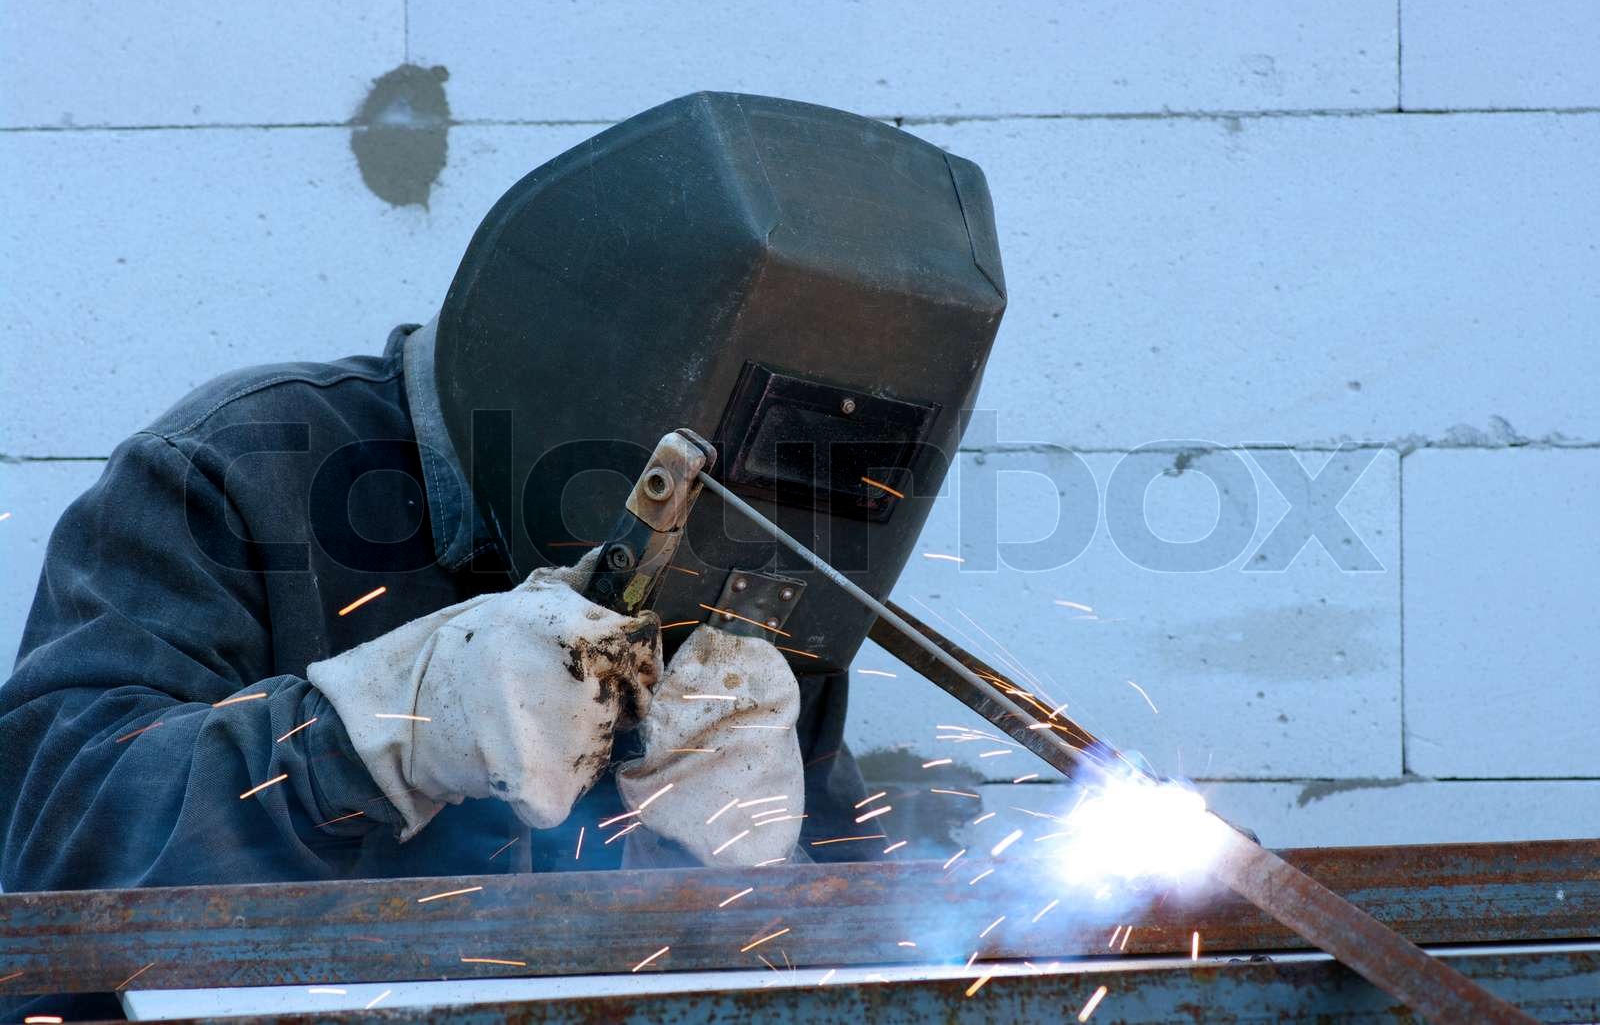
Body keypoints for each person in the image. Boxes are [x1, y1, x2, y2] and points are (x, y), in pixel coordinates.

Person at [1, 92, 1005, 901]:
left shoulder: (753, 576)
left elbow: (855, 935)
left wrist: (764, 879)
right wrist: (371, 736)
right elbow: (52, 838)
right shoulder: (241, 471)